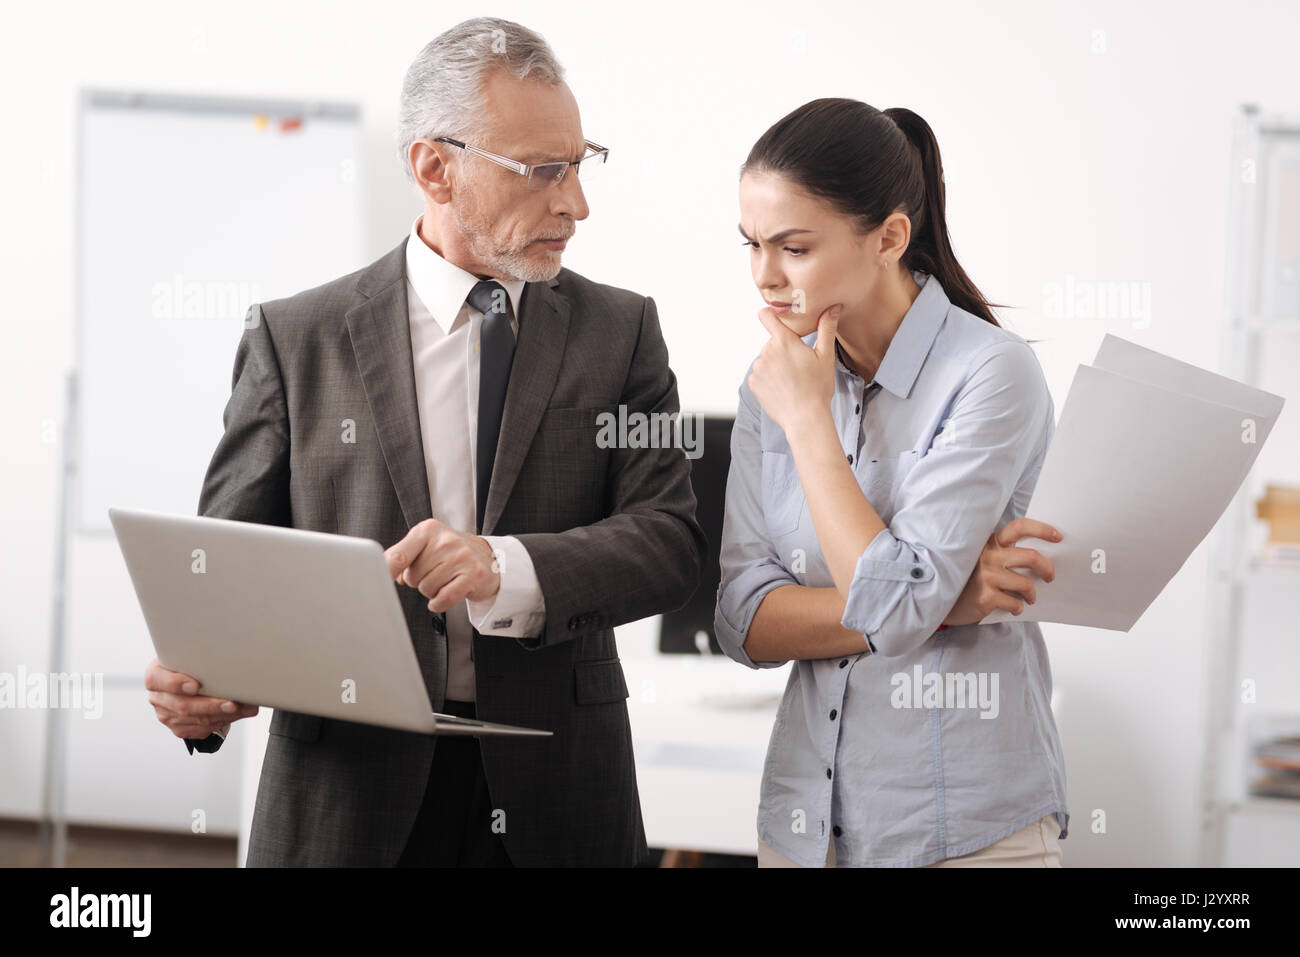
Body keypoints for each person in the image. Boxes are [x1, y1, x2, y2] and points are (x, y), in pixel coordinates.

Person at [143, 17, 706, 867]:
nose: (575, 203)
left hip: (560, 800)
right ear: (434, 168)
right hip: (345, 807)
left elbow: (670, 540)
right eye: (544, 171)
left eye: (580, 164)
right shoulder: (296, 339)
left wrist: (504, 565)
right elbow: (223, 578)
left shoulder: (621, 332)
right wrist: (199, 692)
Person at [715, 98, 1069, 867]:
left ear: (891, 237)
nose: (766, 276)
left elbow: (899, 605)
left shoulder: (988, 373)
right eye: (751, 245)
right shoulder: (768, 384)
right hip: (806, 828)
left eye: (794, 247)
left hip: (966, 832)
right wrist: (948, 600)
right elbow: (743, 621)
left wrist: (812, 427)